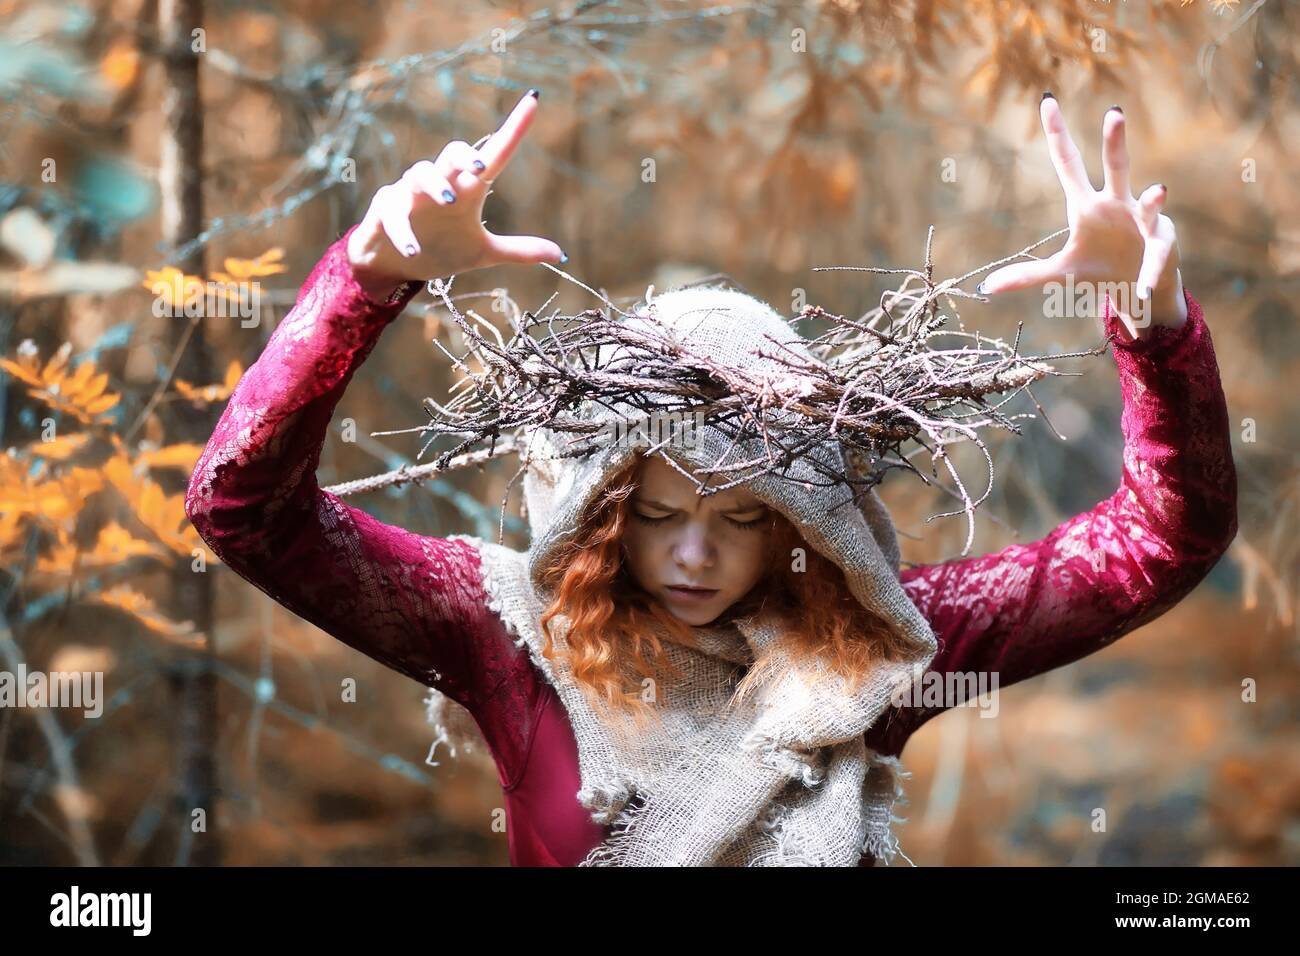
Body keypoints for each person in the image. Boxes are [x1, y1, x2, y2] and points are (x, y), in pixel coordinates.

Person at [185, 90, 1238, 866]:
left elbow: (1158, 540)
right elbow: (244, 512)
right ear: (604, 506)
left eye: (741, 517)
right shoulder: (509, 628)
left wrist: (1150, 330)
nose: (693, 552)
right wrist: (368, 280)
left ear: (801, 518)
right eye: (654, 512)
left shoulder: (874, 642)